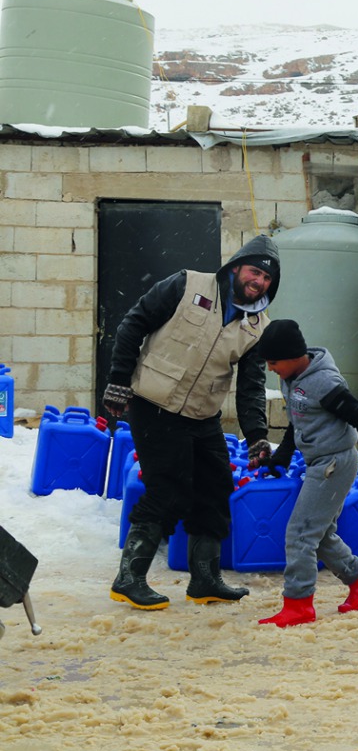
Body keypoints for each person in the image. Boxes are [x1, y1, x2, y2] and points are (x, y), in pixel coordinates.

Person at [103, 234, 281, 610]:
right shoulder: (188, 284)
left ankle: (205, 580)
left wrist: (258, 437)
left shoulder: (258, 326)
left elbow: (250, 387)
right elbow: (133, 324)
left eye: (267, 278)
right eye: (254, 272)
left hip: (202, 414)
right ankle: (129, 578)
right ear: (236, 268)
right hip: (153, 403)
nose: (259, 282)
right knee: (167, 488)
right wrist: (119, 381)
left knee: (215, 489)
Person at [254, 319, 358, 628]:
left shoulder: (325, 383)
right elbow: (298, 417)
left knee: (300, 533)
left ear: (292, 356)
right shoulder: (293, 378)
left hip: (334, 463)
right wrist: (282, 456)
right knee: (319, 533)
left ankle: (299, 604)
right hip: (318, 460)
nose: (271, 368)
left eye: (273, 362)